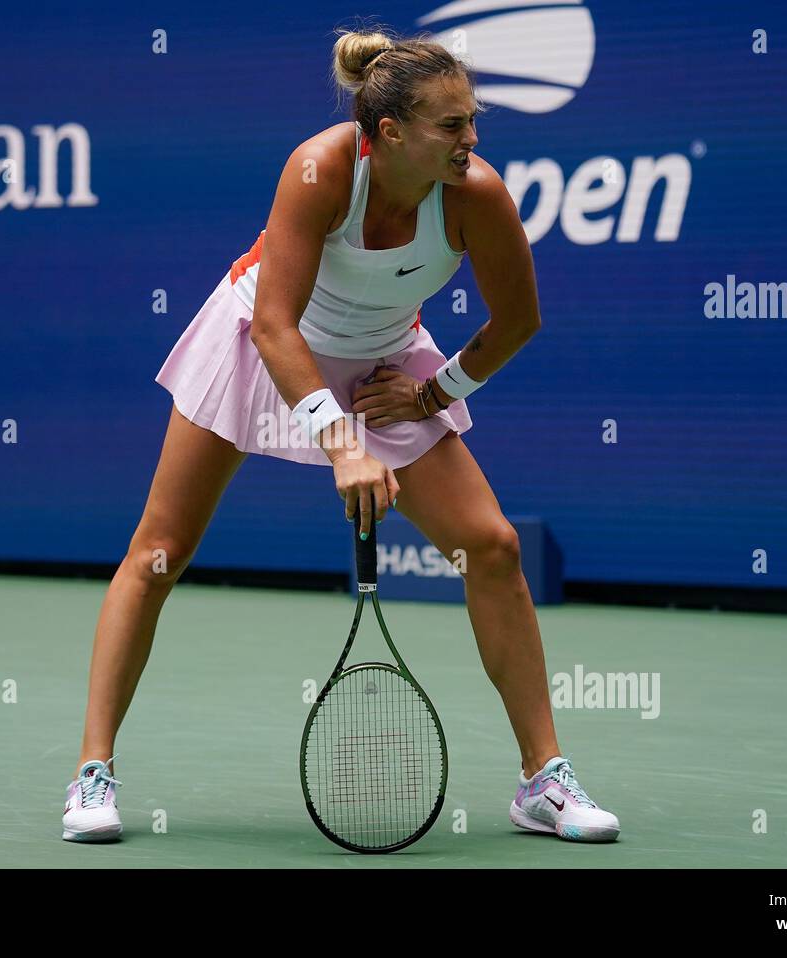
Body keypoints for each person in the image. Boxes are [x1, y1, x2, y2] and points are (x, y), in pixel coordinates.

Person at [62, 26, 620, 845]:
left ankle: (544, 781)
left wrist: (433, 395)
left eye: (474, 120)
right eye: (452, 125)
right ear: (389, 133)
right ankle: (92, 776)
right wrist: (342, 442)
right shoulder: (319, 168)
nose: (472, 139)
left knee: (493, 546)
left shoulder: (478, 194)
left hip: (383, 361)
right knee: (159, 551)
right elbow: (275, 327)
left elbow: (519, 320)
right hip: (260, 343)